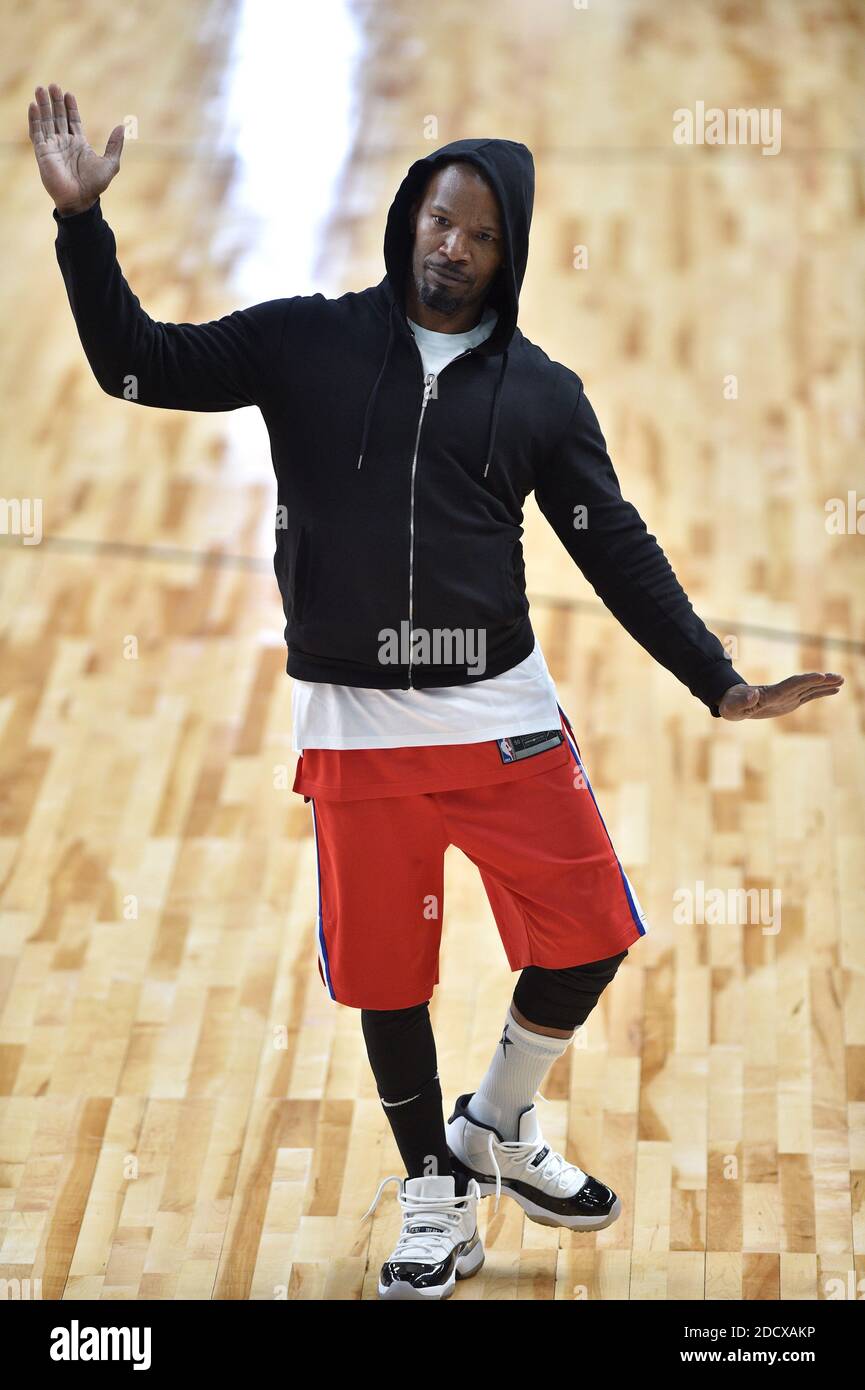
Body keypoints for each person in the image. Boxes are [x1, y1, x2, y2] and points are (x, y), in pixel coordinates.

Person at [31, 82, 843, 1302]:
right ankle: (433, 1192)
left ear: (508, 255)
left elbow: (612, 546)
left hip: (497, 715)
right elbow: (135, 366)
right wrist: (81, 225)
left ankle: (494, 1123)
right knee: (388, 981)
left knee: (589, 937)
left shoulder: (541, 394)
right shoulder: (302, 341)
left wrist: (717, 681)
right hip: (356, 728)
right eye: (438, 220)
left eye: (479, 234)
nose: (451, 246)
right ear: (408, 218)